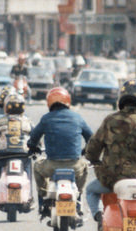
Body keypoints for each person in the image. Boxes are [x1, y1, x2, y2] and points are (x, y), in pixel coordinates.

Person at [84, 79, 136, 225]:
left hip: (112, 178)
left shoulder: (110, 121)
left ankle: (100, 218)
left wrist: (93, 159)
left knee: (91, 190)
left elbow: (93, 148)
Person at [27, 87, 93, 220]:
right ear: (67, 101)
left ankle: (43, 201)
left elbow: (33, 138)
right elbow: (91, 138)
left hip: (51, 166)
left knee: (37, 167)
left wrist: (33, 147)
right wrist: (86, 151)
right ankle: (78, 200)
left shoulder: (46, 118)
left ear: (49, 102)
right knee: (85, 167)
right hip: (75, 165)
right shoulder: (77, 117)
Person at [0, 92, 34, 192]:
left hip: (3, 155)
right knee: (28, 166)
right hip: (22, 155)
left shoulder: (1, 121)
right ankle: (29, 194)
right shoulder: (27, 121)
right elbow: (34, 136)